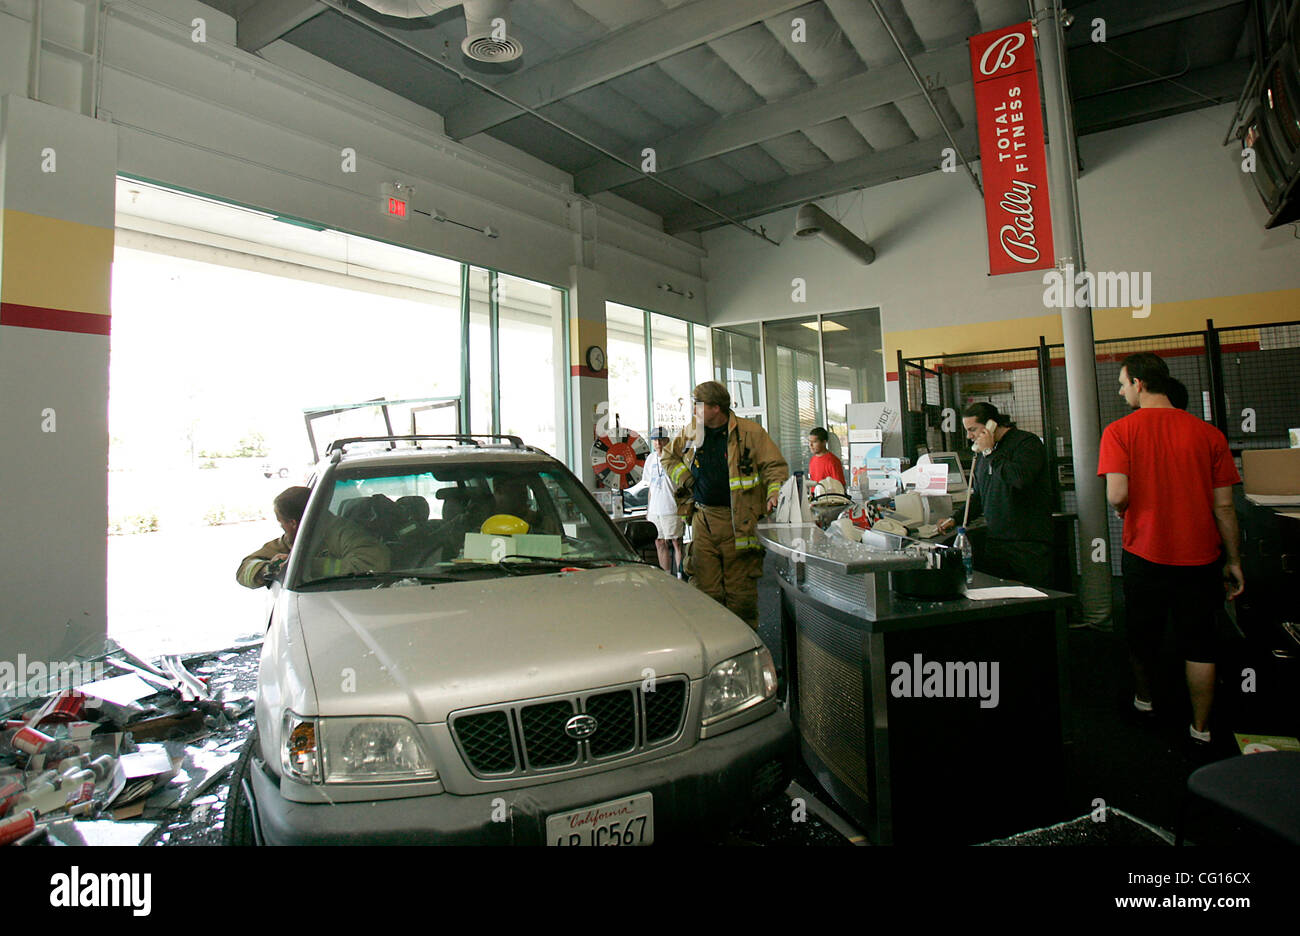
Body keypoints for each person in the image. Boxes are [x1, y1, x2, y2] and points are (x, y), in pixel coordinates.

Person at [1097, 352, 1243, 747]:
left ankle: (1145, 702)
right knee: (1200, 643)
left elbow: (1117, 494)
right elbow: (1225, 506)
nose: (1121, 389)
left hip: (1145, 555)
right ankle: (1201, 727)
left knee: (1143, 635)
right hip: (1201, 557)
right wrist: (1233, 560)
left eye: (1124, 383)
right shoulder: (1210, 435)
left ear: (1140, 384)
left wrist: (1124, 508)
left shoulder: (1118, 431)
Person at [660, 381, 789, 627]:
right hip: (703, 520)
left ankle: (745, 650)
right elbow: (668, 456)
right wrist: (686, 480)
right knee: (706, 593)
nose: (694, 410)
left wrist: (774, 494)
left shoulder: (751, 433)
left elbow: (774, 467)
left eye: (698, 405)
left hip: (738, 523)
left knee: (739, 595)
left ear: (716, 408)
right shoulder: (692, 432)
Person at [937, 402, 1054, 587]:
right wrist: (955, 519)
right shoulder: (984, 455)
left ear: (991, 424)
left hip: (1027, 542)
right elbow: (980, 496)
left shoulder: (1026, 443)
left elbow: (1019, 479)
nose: (969, 436)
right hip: (997, 541)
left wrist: (989, 452)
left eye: (973, 429)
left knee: (1034, 598)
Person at [236, 486, 391, 588]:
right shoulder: (292, 540)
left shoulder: (343, 532)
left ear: (292, 523)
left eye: (281, 524)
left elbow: (375, 565)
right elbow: (245, 569)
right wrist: (269, 569)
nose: (282, 528)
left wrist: (303, 566)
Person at [625, 427, 684, 577]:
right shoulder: (650, 459)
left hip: (672, 508)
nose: (658, 443)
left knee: (676, 542)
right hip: (655, 510)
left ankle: (681, 574)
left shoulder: (675, 457)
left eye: (661, 439)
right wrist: (648, 509)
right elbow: (651, 486)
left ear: (667, 440)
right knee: (659, 542)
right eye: (655, 440)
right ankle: (667, 575)